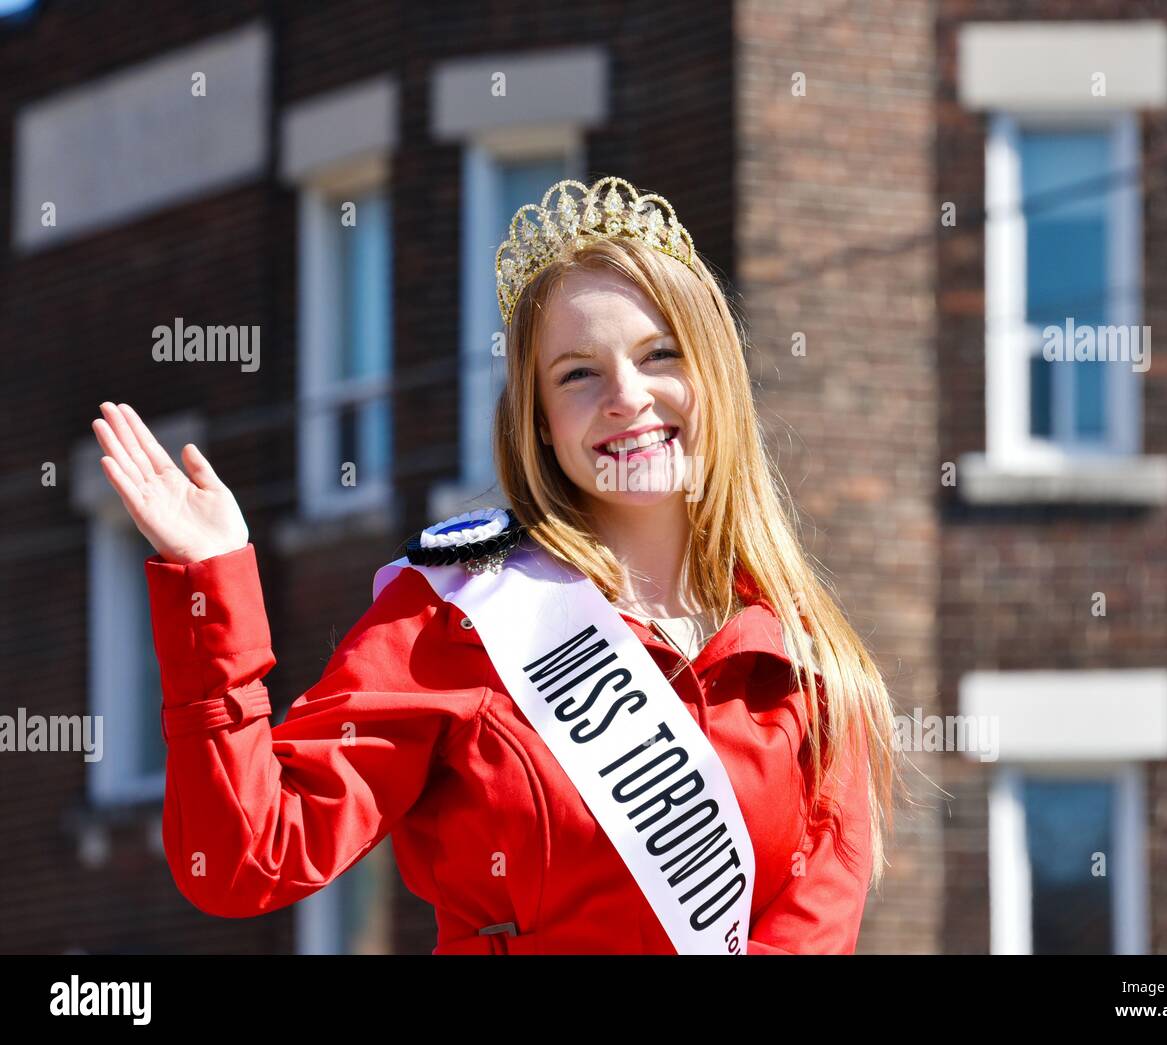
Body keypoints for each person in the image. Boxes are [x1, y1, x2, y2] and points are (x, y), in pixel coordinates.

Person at [90, 176, 901, 954]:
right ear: (540, 421)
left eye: (661, 355)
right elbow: (244, 859)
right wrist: (211, 582)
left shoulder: (812, 676)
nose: (627, 396)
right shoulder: (457, 613)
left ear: (714, 379)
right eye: (578, 373)